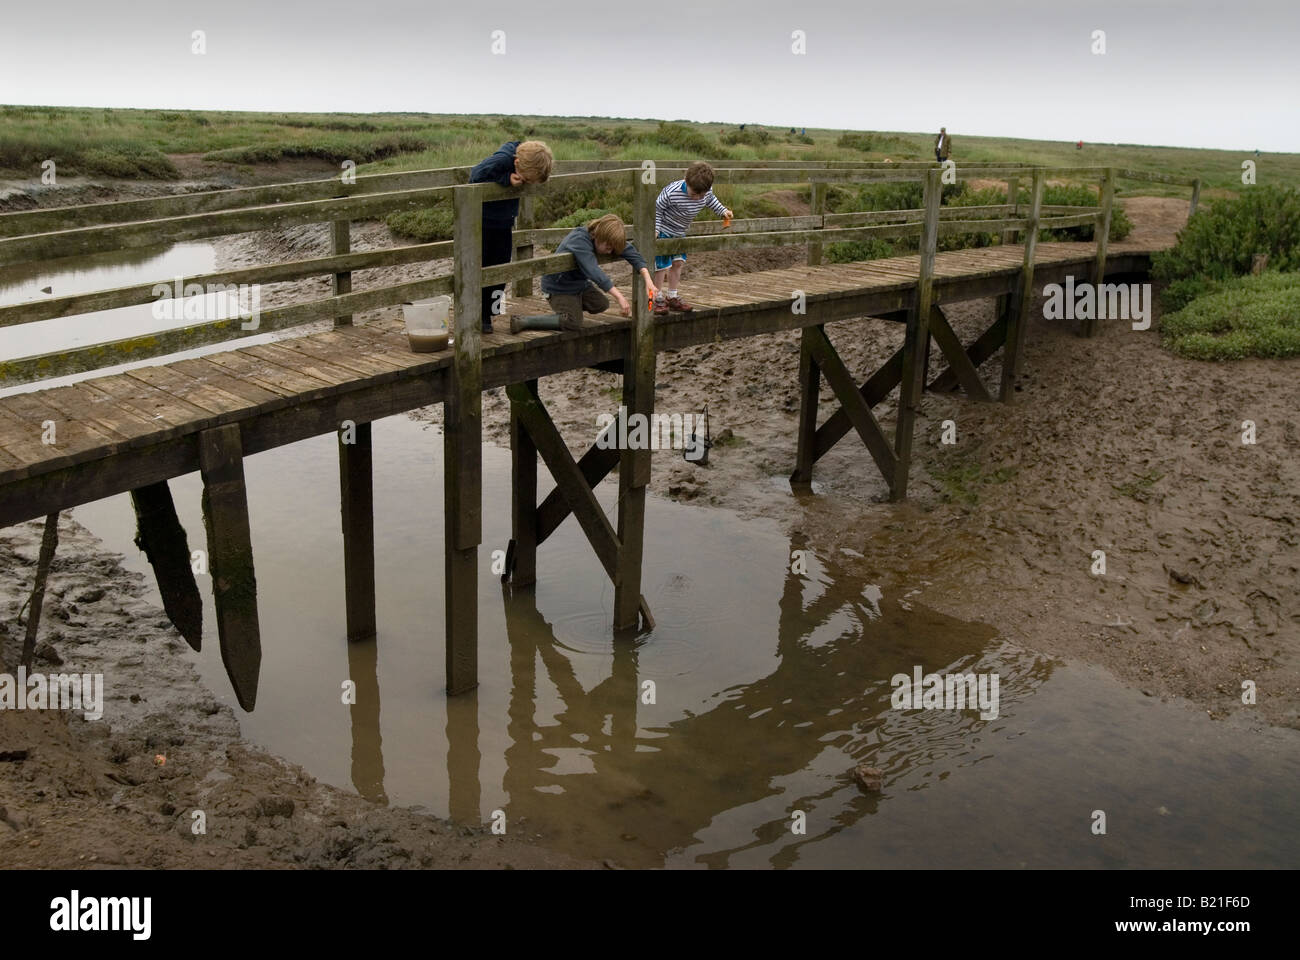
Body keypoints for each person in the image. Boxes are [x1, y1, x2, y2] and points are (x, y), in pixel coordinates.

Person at [509, 214, 656, 332]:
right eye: (609, 247)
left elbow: (632, 254)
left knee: (601, 304)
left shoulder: (605, 239)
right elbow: (593, 271)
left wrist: (648, 280)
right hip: (558, 288)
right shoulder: (579, 240)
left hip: (579, 285)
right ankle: (523, 320)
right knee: (573, 323)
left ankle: (571, 307)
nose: (610, 252)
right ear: (599, 236)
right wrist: (619, 297)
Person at [469, 139, 553, 334]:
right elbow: (475, 175)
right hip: (484, 222)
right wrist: (507, 179)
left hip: (505, 222)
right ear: (517, 164)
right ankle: (480, 315)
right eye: (526, 180)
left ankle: (492, 311)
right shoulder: (503, 159)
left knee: (502, 268)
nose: (526, 183)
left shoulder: (528, 157)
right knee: (485, 266)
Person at [652, 161, 732, 314]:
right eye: (694, 194)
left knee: (678, 263)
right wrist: (655, 229)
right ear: (686, 181)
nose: (697, 198)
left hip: (680, 232)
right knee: (661, 266)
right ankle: (657, 297)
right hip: (664, 230)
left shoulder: (706, 192)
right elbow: (657, 208)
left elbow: (711, 201)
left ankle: (672, 296)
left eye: (700, 195)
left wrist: (723, 211)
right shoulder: (671, 192)